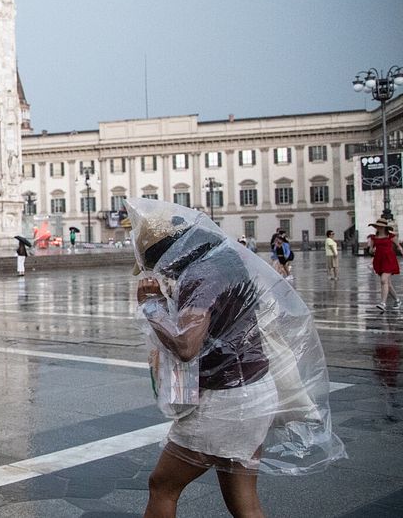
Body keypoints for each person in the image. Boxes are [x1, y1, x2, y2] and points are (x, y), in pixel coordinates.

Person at [127, 198, 344, 518]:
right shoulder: (228, 259)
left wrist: (151, 305)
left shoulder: (199, 276)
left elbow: (187, 345)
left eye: (155, 263)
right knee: (243, 500)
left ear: (166, 254)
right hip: (257, 392)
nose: (157, 272)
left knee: (162, 486)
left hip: (223, 403)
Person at [366, 218, 400, 312]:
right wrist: (371, 250)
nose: (378, 228)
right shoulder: (373, 237)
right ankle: (397, 300)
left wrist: (401, 250)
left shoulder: (391, 236)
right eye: (377, 226)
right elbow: (370, 250)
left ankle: (383, 303)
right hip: (379, 260)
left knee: (383, 280)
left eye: (380, 226)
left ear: (384, 227)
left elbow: (399, 246)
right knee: (387, 284)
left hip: (389, 259)